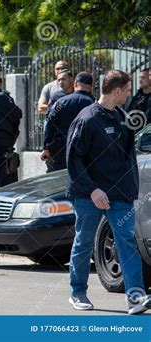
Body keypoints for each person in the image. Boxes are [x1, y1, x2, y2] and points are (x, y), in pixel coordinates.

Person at [66, 70, 151, 315]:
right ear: (116, 90)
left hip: (119, 195)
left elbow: (127, 157)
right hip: (89, 194)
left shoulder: (122, 117)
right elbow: (74, 161)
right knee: (83, 241)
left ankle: (135, 297)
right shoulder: (86, 119)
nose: (128, 94)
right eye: (126, 89)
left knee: (126, 241)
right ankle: (78, 292)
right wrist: (92, 190)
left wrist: (129, 191)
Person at [41, 72, 95, 172]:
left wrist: (46, 147)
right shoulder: (94, 104)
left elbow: (49, 123)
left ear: (75, 84)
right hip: (86, 151)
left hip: (61, 150)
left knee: (57, 180)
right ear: (91, 86)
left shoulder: (62, 102)